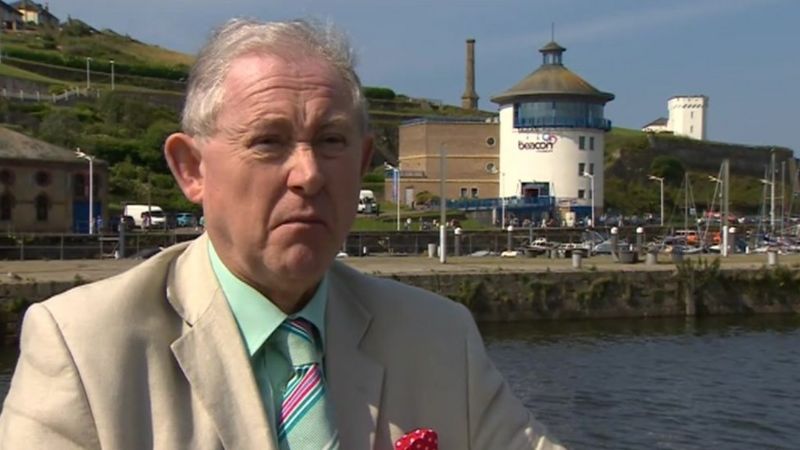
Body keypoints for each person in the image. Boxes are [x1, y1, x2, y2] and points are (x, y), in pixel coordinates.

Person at [0, 19, 564, 450]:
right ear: (191, 169)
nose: (309, 173)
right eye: (268, 140)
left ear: (364, 161)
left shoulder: (441, 339)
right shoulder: (82, 346)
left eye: (332, 141)